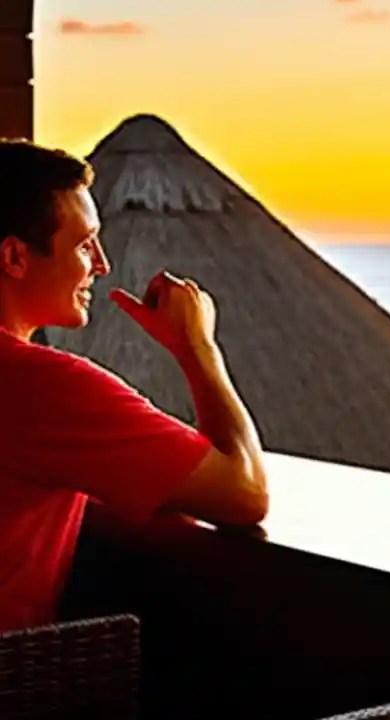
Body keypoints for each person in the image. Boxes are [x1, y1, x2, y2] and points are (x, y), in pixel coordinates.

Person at [0, 139, 269, 633]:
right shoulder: (41, 387)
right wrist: (198, 348)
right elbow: (244, 493)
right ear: (14, 257)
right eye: (84, 244)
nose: (101, 264)